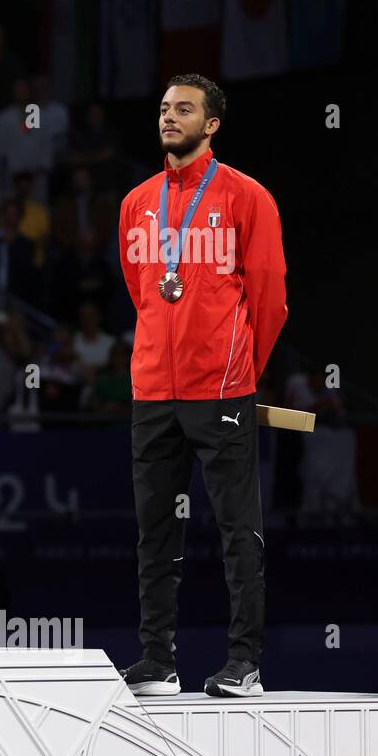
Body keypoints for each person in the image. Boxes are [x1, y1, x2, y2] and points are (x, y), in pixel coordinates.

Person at [116, 74, 287, 698]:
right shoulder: (137, 202)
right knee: (155, 530)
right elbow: (143, 292)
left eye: (183, 109)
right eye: (163, 107)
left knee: (237, 528)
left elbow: (270, 302)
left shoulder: (248, 198)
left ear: (211, 124)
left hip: (221, 390)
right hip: (152, 390)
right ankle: (158, 661)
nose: (169, 117)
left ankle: (245, 663)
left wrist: (237, 369)